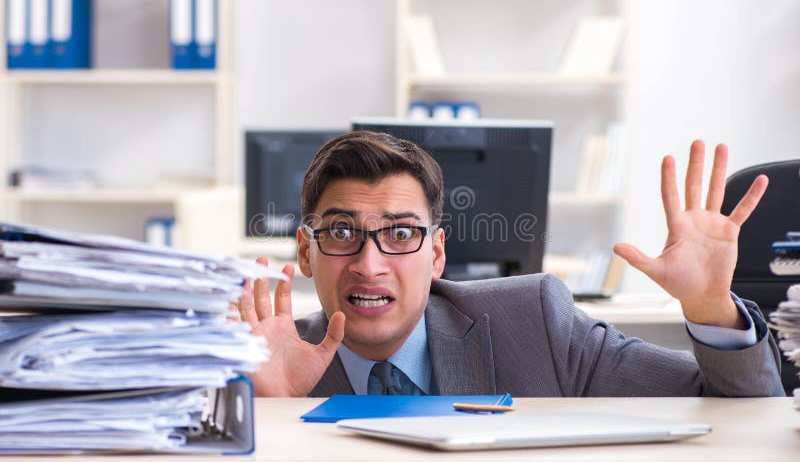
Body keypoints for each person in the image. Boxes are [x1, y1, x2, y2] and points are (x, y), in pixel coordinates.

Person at [237, 131, 783, 397]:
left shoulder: (534, 324)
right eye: (341, 233)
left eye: (401, 233)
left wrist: (712, 310)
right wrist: (274, 420)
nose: (369, 262)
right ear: (305, 252)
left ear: (437, 254)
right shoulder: (265, 365)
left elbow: (742, 415)